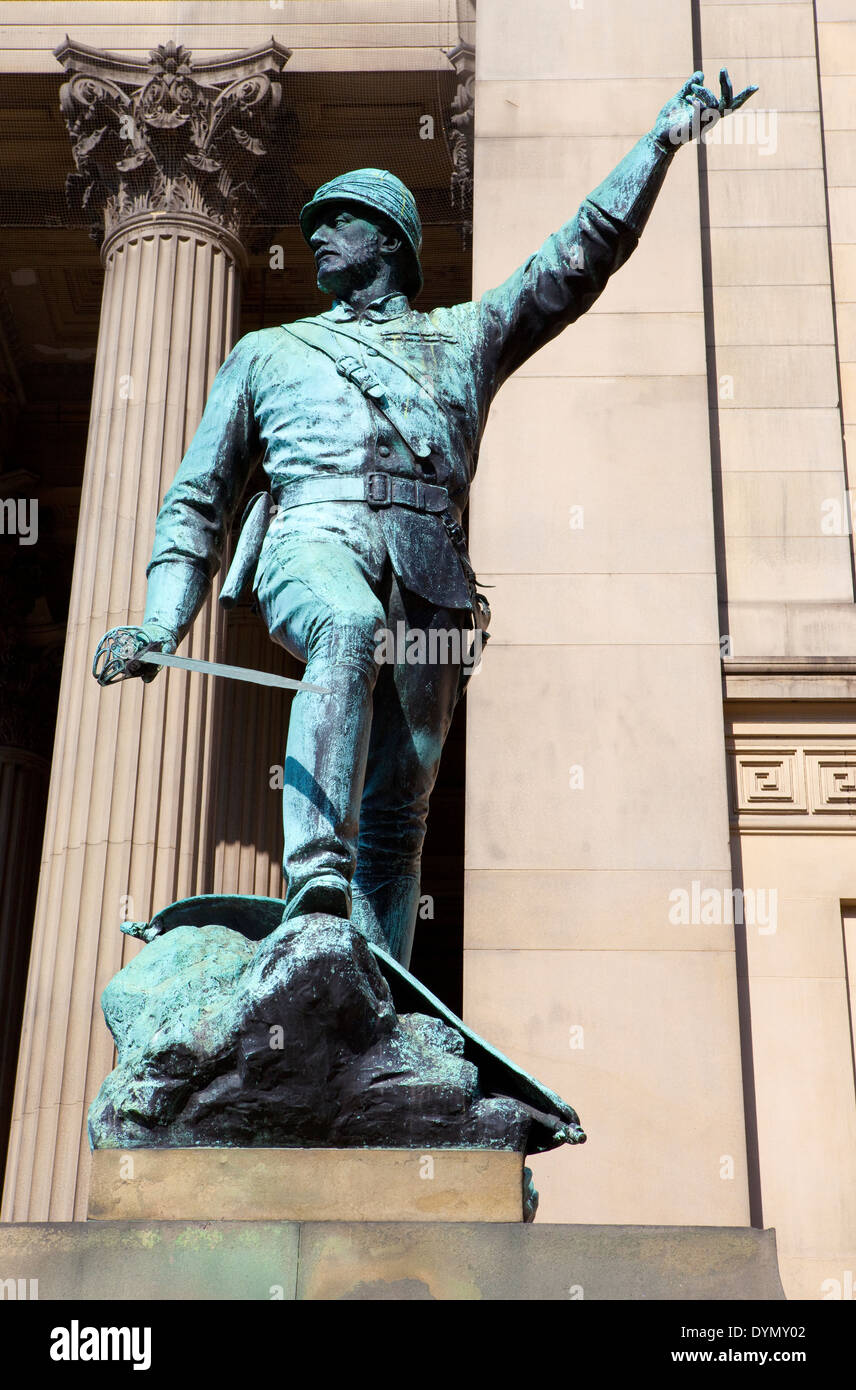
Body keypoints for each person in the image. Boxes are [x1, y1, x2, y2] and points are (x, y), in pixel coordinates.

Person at [93, 70, 756, 967]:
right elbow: (198, 501)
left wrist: (663, 141)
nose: (318, 236)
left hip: (433, 577)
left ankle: (373, 991)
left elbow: (577, 256)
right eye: (315, 225)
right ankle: (317, 879)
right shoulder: (267, 353)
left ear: (393, 241)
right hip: (311, 540)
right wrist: (161, 620)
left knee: (402, 805)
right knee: (346, 625)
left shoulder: (465, 338)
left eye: (340, 221)